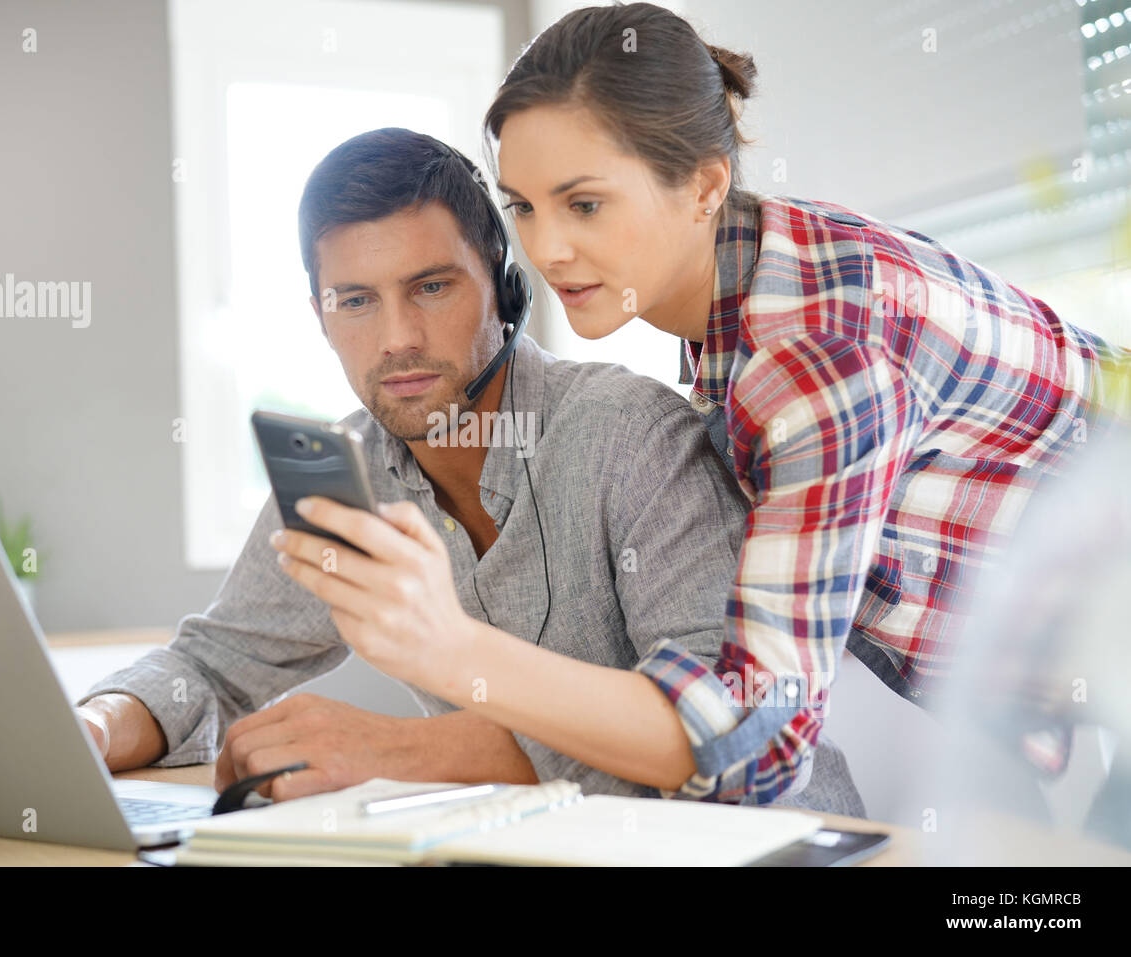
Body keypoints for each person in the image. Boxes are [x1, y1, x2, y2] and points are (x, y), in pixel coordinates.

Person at [276, 3, 1131, 805]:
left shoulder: (812, 355)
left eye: (584, 203)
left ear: (703, 185)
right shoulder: (752, 296)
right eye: (524, 208)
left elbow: (759, 742)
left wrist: (453, 647)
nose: (547, 249)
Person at [75, 126, 867, 815]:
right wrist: (97, 726)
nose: (397, 337)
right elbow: (208, 666)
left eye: (431, 286)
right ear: (320, 316)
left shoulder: (633, 434)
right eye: (355, 300)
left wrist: (400, 750)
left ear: (503, 284)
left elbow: (725, 735)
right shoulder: (344, 475)